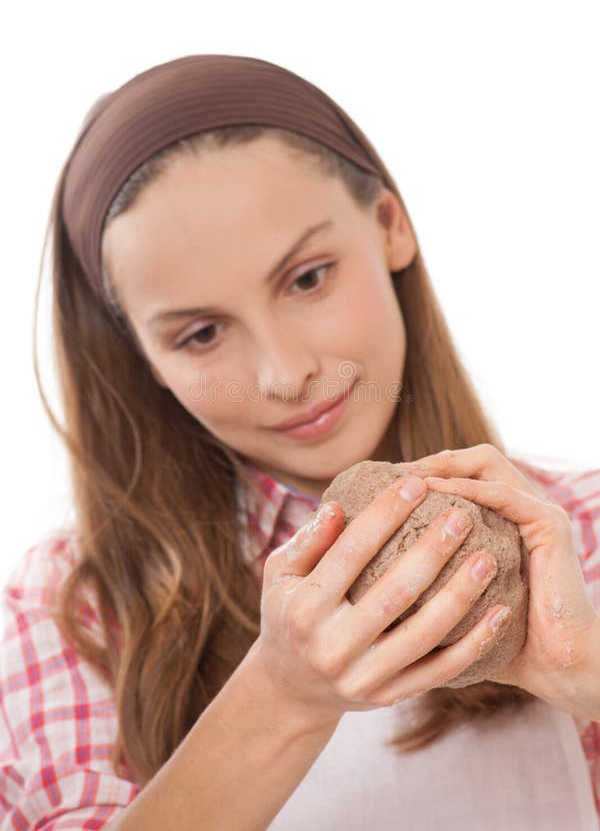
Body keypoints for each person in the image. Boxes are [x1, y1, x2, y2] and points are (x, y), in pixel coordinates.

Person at [0, 54, 598, 830]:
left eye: (308, 279)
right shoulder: (74, 610)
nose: (285, 374)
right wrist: (281, 697)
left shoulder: (581, 530)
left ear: (390, 226)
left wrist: (585, 674)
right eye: (202, 333)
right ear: (142, 360)